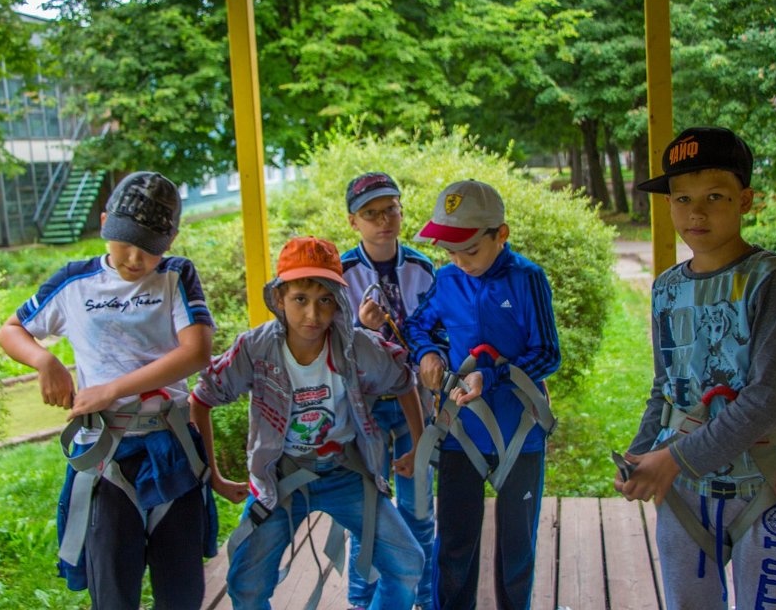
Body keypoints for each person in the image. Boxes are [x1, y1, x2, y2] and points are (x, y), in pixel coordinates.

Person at [0, 171, 248, 610]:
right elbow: (12, 329)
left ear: (169, 241)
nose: (135, 257)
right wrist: (44, 359)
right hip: (106, 455)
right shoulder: (75, 282)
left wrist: (110, 390)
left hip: (171, 450)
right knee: (112, 589)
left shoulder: (175, 277)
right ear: (104, 221)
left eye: (149, 247)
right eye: (125, 241)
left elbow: (196, 352)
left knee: (182, 590)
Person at [616, 126, 776, 609]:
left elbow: (768, 397)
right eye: (681, 197)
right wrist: (641, 451)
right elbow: (664, 387)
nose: (696, 211)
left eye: (714, 196)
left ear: (745, 200)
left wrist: (671, 459)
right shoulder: (667, 288)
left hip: (759, 486)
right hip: (684, 496)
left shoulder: (773, 280)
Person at [189, 236, 426, 610]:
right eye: (300, 299)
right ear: (279, 298)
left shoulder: (357, 347)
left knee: (408, 563)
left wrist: (418, 444)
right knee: (246, 584)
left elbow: (403, 381)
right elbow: (201, 398)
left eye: (325, 301)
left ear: (337, 304)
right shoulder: (255, 349)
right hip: (278, 476)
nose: (313, 316)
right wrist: (213, 475)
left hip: (345, 471)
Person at [404, 179, 561, 610]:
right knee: (454, 545)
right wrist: (429, 353)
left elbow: (548, 353)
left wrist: (490, 377)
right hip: (461, 433)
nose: (459, 260)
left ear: (501, 234)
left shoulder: (527, 280)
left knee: (516, 549)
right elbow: (418, 326)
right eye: (450, 251)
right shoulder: (449, 279)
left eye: (470, 250)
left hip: (520, 433)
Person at [340, 172, 437, 610]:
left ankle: (424, 597)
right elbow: (329, 346)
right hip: (364, 409)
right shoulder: (338, 275)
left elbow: (436, 332)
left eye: (391, 209)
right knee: (367, 511)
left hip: (415, 402)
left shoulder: (422, 267)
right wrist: (362, 328)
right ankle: (363, 601)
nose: (383, 220)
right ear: (352, 221)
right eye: (370, 213)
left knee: (419, 510)